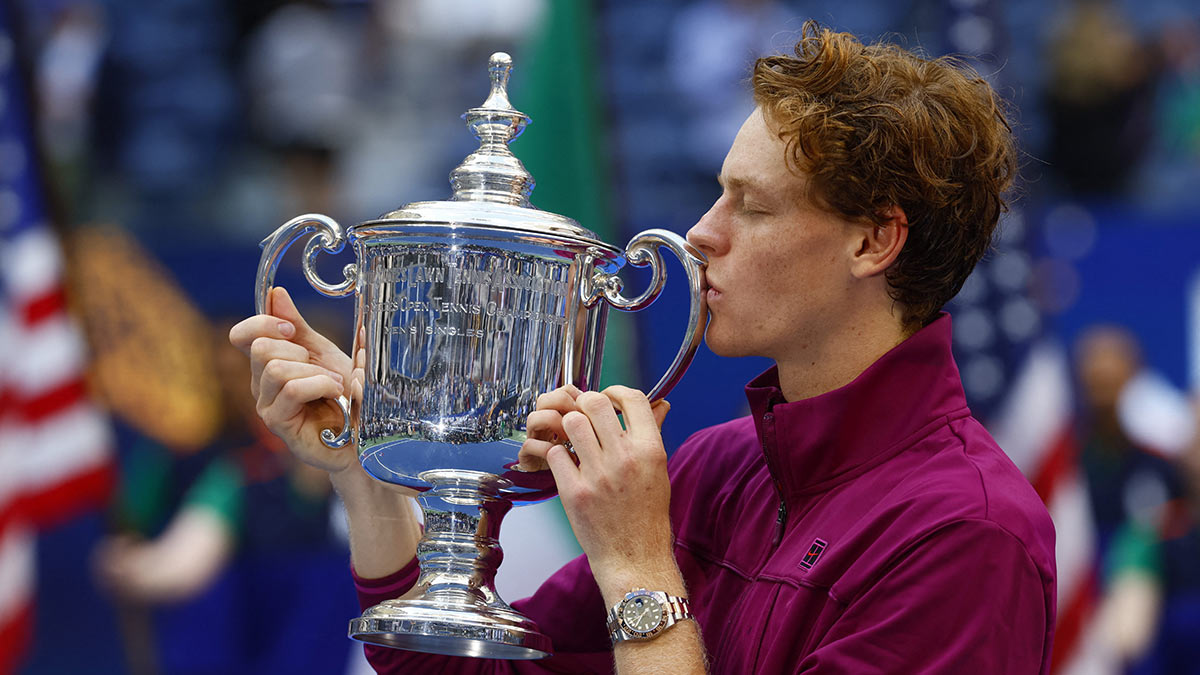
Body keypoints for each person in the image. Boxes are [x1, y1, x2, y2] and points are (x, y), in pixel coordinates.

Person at [230, 23, 1056, 674]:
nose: (702, 233)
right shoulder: (715, 468)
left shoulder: (968, 532)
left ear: (874, 241)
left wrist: (636, 567)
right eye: (715, 193)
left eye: (752, 206)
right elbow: (446, 667)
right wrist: (363, 463)